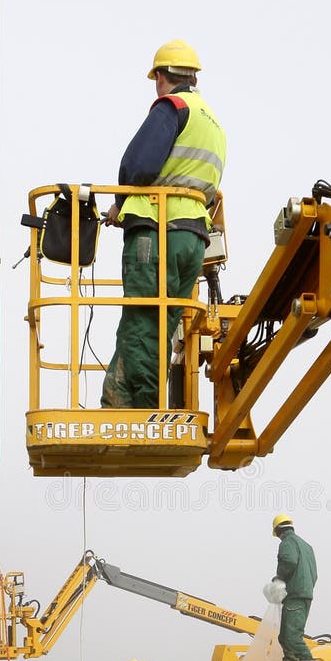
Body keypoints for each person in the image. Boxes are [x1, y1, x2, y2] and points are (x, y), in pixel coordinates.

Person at [101, 39, 227, 409]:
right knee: (164, 320)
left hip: (157, 230)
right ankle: (119, 399)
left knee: (143, 318)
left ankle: (141, 408)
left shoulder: (171, 107)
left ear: (160, 77)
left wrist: (120, 203)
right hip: (192, 239)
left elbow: (138, 166)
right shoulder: (213, 122)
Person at [268, 515, 319, 661]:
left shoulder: (287, 543)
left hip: (295, 595)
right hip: (303, 594)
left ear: (278, 531)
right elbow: (314, 574)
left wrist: (279, 578)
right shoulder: (307, 546)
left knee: (293, 637)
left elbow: (289, 561)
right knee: (284, 637)